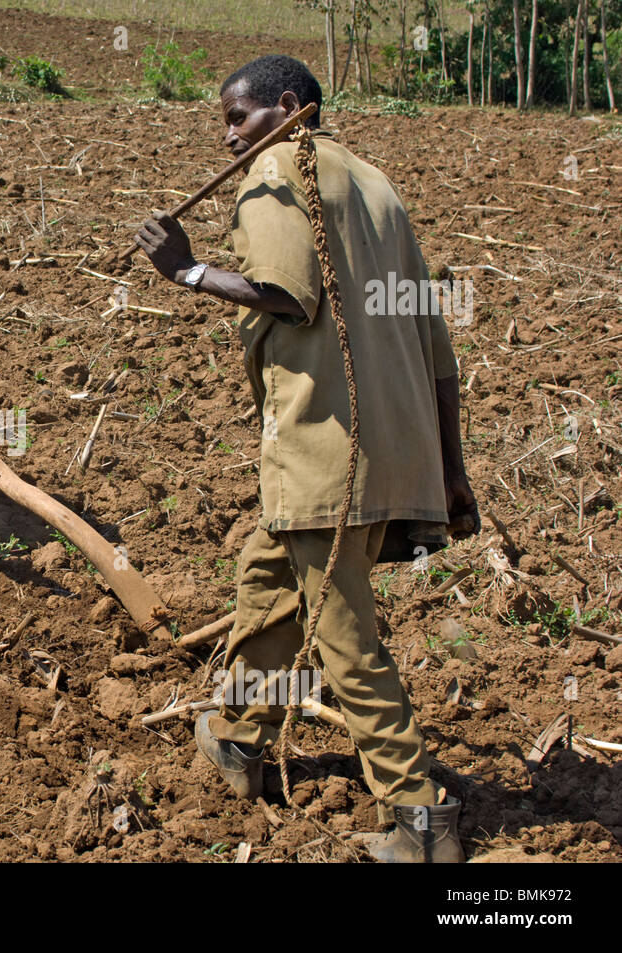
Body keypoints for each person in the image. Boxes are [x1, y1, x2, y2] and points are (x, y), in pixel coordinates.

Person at [134, 54, 480, 863]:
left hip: (326, 446)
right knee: (269, 580)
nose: (228, 137)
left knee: (344, 636)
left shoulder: (273, 175)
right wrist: (451, 466)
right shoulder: (379, 188)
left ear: (289, 107)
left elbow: (289, 293)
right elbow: (436, 346)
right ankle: (237, 739)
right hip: (397, 446)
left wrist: (184, 268)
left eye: (236, 119)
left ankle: (423, 820)